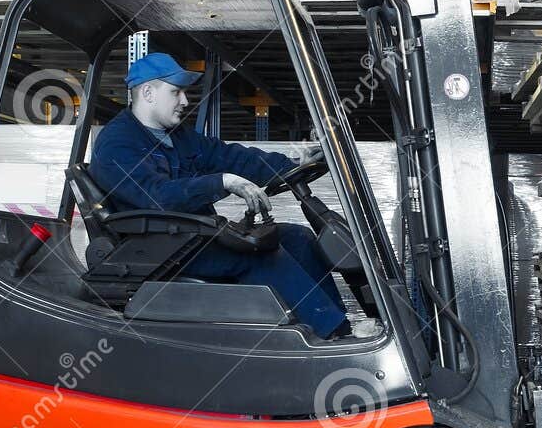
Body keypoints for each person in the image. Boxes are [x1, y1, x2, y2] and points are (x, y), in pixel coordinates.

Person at [88, 52, 350, 339]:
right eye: (176, 92)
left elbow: (231, 157)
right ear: (148, 92)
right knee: (260, 253)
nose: (185, 101)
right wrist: (221, 182)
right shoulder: (118, 143)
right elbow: (156, 197)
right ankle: (330, 338)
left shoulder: (178, 136)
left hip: (191, 236)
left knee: (297, 238)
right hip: (162, 249)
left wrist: (292, 164)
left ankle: (338, 331)